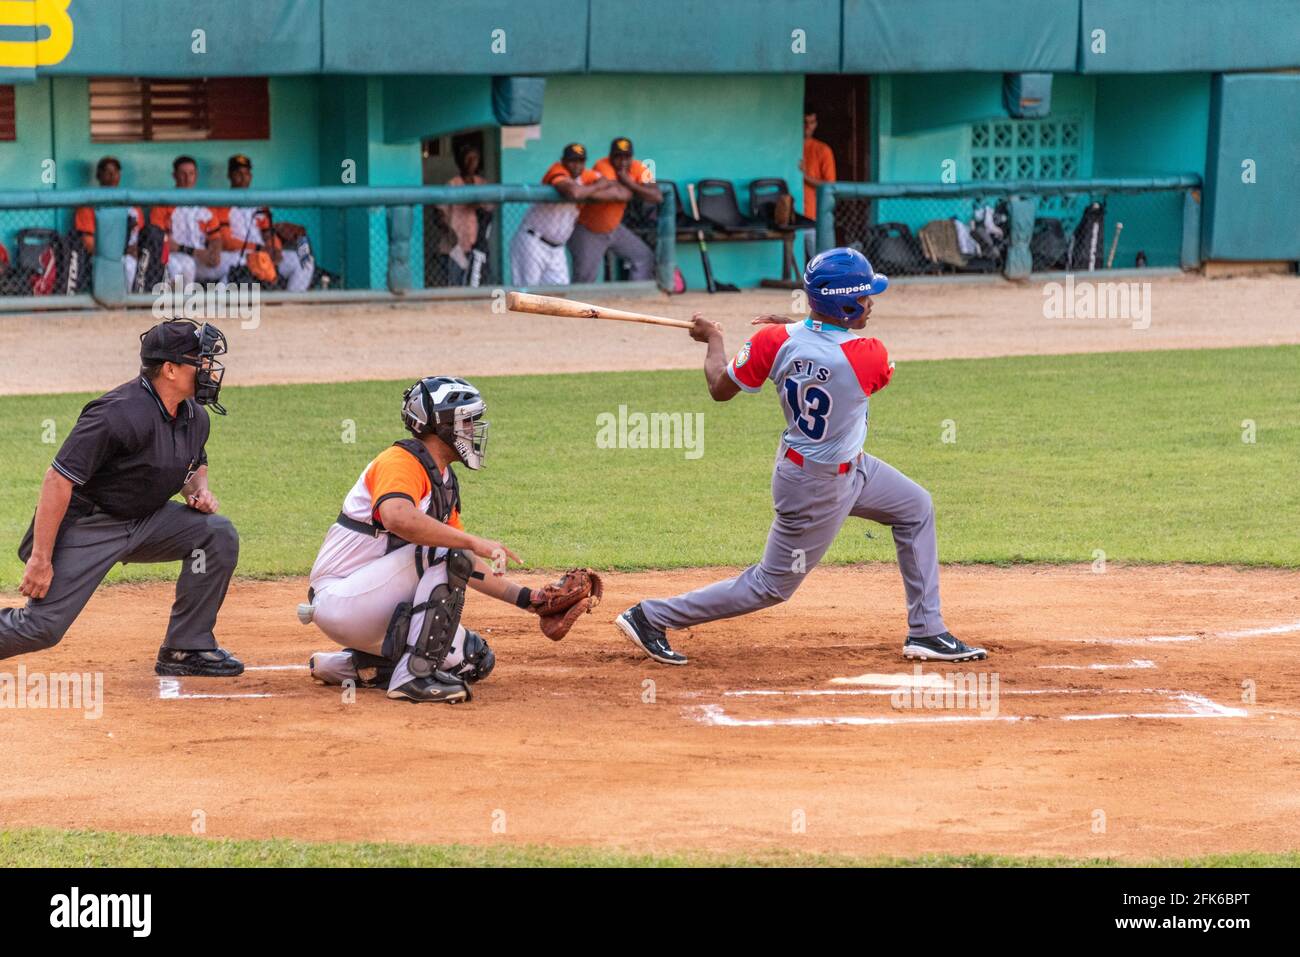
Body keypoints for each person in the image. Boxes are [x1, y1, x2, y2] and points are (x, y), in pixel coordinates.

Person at [615, 247, 987, 667]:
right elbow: (830, 348)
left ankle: (927, 632)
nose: (872, 303)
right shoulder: (869, 355)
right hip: (818, 488)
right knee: (770, 586)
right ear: (845, 304)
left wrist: (715, 338)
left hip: (843, 469)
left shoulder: (773, 341)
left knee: (916, 506)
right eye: (865, 296)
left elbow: (720, 386)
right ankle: (651, 616)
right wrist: (800, 329)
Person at [300, 376, 602, 704]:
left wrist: (530, 600)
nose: (474, 429)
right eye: (468, 421)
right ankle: (413, 676)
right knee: (448, 550)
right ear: (443, 426)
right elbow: (396, 516)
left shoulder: (442, 479)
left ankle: (354, 666)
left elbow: (462, 562)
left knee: (474, 659)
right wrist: (471, 540)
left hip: (374, 606)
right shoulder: (400, 462)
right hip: (342, 599)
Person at [0, 319, 244, 677]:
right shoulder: (116, 413)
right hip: (91, 525)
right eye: (200, 360)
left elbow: (193, 465)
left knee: (217, 533)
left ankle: (186, 647)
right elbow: (57, 480)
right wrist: (40, 558)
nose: (209, 368)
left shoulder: (194, 416)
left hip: (148, 521)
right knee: (41, 628)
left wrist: (199, 491)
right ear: (171, 369)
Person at [509, 143, 624, 287]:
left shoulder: (586, 175)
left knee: (559, 294)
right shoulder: (557, 170)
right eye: (572, 161)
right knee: (526, 295)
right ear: (563, 161)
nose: (577, 166)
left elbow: (612, 186)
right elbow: (574, 193)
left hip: (557, 248)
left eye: (580, 161)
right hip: (533, 241)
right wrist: (595, 188)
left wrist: (590, 189)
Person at [568, 137, 660, 283]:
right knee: (585, 278)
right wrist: (636, 187)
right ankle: (577, 306)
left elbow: (656, 196)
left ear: (632, 157)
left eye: (626, 157)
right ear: (611, 156)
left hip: (614, 228)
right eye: (618, 157)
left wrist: (629, 183)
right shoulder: (602, 165)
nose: (623, 162)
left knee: (643, 257)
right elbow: (618, 194)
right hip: (589, 229)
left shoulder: (638, 167)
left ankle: (634, 298)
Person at [217, 154, 315, 291]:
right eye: (238, 173)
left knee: (305, 260)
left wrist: (275, 248)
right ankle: (214, 304)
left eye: (246, 173)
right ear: (229, 175)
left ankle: (292, 303)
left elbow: (268, 232)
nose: (243, 177)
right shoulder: (221, 202)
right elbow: (226, 241)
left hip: (263, 254)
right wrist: (259, 249)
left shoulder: (259, 203)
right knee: (240, 268)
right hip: (238, 254)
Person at [150, 156, 226, 286]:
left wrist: (215, 252)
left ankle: (219, 302)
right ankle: (181, 305)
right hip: (173, 257)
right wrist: (196, 252)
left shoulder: (204, 203)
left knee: (234, 262)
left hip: (201, 257)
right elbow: (162, 242)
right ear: (174, 176)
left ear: (196, 176)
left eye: (191, 173)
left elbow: (216, 237)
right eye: (182, 174)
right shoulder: (163, 203)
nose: (187, 178)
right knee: (187, 265)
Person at [72, 156, 144, 288]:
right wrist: (115, 251)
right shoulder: (89, 203)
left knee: (133, 264)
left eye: (115, 171)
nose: (112, 175)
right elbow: (87, 242)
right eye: (107, 171)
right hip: (102, 255)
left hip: (132, 254)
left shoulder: (131, 204)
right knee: (125, 265)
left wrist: (139, 249)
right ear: (98, 175)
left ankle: (133, 304)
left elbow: (142, 235)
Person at [440, 145, 489, 286]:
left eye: (475, 158)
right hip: (455, 245)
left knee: (475, 283)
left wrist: (477, 205)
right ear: (460, 161)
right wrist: (448, 232)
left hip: (477, 244)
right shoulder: (452, 184)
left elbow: (489, 210)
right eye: (468, 158)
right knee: (454, 283)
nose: (471, 162)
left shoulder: (482, 184)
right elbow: (439, 214)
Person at [800, 107, 837, 263]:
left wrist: (804, 177)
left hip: (813, 215)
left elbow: (829, 185)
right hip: (791, 215)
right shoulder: (789, 145)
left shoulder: (822, 150)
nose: (808, 126)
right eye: (804, 122)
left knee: (822, 263)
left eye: (812, 122)